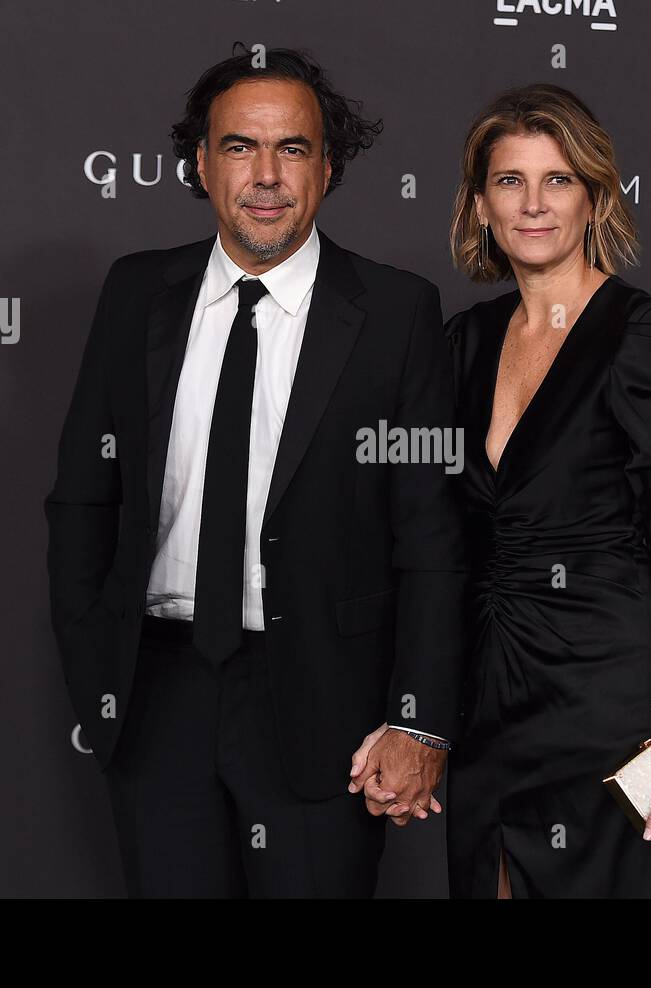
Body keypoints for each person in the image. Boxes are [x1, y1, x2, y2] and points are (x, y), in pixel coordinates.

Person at [43, 44, 466, 897]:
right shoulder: (135, 294)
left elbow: (431, 534)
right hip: (156, 691)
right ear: (201, 163)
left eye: (294, 149)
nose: (266, 175)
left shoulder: (395, 312)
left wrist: (417, 723)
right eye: (240, 147)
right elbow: (84, 496)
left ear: (328, 166)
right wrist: (100, 673)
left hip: (322, 701)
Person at [442, 83, 651, 898]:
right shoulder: (462, 343)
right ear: (480, 202)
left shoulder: (648, 338)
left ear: (596, 196)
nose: (534, 205)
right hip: (488, 700)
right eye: (509, 181)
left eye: (558, 180)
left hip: (609, 702)